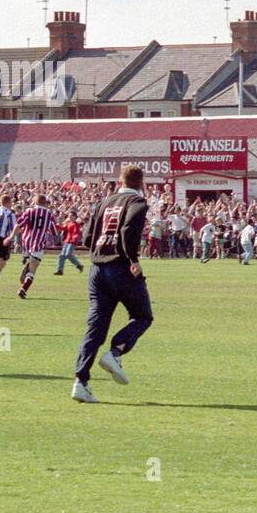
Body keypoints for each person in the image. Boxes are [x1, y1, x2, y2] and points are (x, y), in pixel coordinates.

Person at [72, 166, 154, 403]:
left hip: (97, 269)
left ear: (120, 180)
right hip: (120, 267)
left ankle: (81, 381)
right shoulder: (137, 201)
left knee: (95, 327)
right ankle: (116, 352)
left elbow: (87, 238)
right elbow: (129, 229)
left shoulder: (104, 202)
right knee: (142, 316)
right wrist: (133, 259)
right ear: (141, 182)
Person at [13, 194, 58, 299]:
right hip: (38, 244)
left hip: (26, 242)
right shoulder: (49, 215)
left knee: (30, 262)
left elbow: (20, 224)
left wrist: (11, 236)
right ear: (44, 203)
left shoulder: (29, 211)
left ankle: (25, 259)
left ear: (35, 202)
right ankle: (23, 289)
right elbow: (54, 232)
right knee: (33, 270)